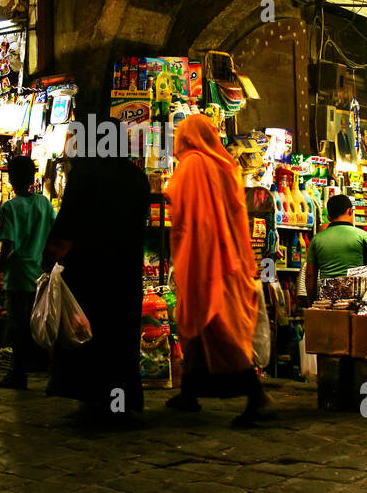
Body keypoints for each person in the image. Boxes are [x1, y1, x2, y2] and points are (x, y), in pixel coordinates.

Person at [43, 95, 150, 423]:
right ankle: (119, 402)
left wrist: (50, 255)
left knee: (89, 334)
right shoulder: (135, 177)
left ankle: (94, 399)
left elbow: (69, 221)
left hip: (90, 271)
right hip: (125, 271)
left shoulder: (85, 174)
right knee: (120, 339)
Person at [163, 113, 272, 427]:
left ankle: (255, 396)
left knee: (218, 332)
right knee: (201, 333)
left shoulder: (193, 165)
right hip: (230, 260)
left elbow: (188, 217)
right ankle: (189, 392)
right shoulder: (225, 166)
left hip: (204, 261)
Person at [0, 154, 55, 389]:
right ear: (32, 178)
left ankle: (19, 374)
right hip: (40, 273)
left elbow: (7, 246)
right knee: (43, 323)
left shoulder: (9, 207)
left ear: (11, 179)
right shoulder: (44, 203)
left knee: (18, 327)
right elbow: (52, 236)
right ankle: (49, 371)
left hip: (18, 275)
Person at [305, 194, 367, 298]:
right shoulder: (363, 237)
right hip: (355, 298)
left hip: (326, 299)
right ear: (350, 211)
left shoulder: (317, 240)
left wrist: (311, 301)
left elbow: (310, 275)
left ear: (329, 217)